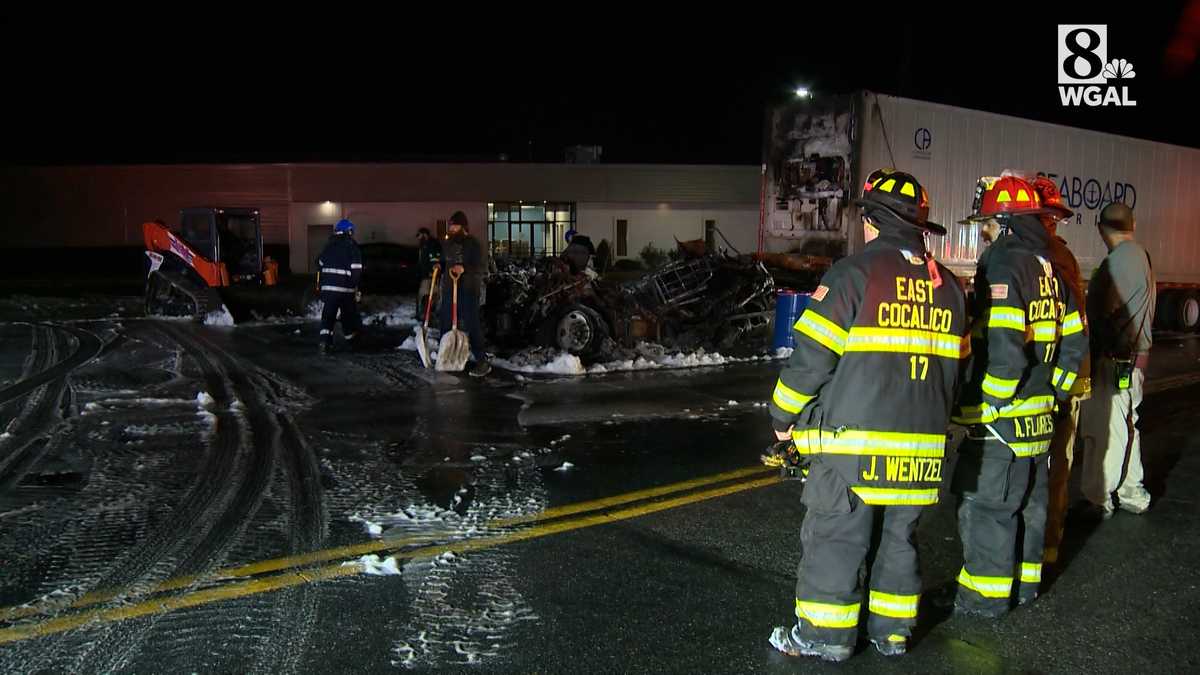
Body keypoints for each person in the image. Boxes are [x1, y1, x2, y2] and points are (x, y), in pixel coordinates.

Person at [766, 171, 969, 662]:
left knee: (836, 538)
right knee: (899, 540)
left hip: (852, 453)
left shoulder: (854, 275)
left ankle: (825, 637)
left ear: (871, 221)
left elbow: (811, 360)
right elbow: (960, 371)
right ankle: (892, 633)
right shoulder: (950, 287)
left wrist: (782, 417)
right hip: (921, 453)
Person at [949, 175, 1087, 616]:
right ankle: (1026, 588)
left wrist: (990, 404)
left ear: (1005, 222)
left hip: (1004, 420)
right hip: (1039, 415)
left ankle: (984, 599)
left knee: (987, 506)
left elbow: (1005, 348)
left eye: (989, 224)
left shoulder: (1005, 262)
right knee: (1030, 504)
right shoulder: (1051, 265)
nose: (985, 232)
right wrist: (1054, 392)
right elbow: (1075, 340)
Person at [1079, 202, 1155, 518]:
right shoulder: (1141, 256)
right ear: (1132, 225)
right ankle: (1132, 491)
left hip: (1114, 359)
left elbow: (1102, 314)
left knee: (1105, 429)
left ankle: (1099, 497)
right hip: (1134, 360)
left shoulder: (1117, 263)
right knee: (1127, 424)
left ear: (1101, 228)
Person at [1030, 176, 1091, 564]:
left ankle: (1040, 545)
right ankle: (1047, 545)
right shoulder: (1061, 255)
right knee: (1057, 462)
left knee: (1045, 464)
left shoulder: (1044, 257)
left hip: (1051, 379)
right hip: (1066, 376)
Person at [440, 211, 490, 377]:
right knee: (446, 321)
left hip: (468, 289)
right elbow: (444, 261)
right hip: (450, 288)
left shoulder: (473, 244)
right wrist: (438, 265)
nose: (451, 229)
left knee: (471, 323)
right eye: (451, 226)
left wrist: (464, 268)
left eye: (454, 226)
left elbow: (481, 266)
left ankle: (482, 361)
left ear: (463, 226)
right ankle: (446, 355)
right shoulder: (448, 244)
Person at [316, 219, 364, 355]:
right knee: (348, 316)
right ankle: (353, 341)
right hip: (345, 289)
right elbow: (356, 269)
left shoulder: (328, 246)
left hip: (328, 289)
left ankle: (324, 343)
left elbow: (319, 263)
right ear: (348, 231)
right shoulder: (351, 246)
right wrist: (354, 287)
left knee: (328, 316)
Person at [416, 227, 442, 312]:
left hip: (431, 275)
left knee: (429, 293)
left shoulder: (432, 244)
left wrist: (432, 272)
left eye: (419, 235)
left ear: (425, 234)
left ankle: (429, 312)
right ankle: (426, 312)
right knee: (425, 294)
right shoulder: (424, 244)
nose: (418, 238)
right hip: (425, 274)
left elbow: (435, 259)